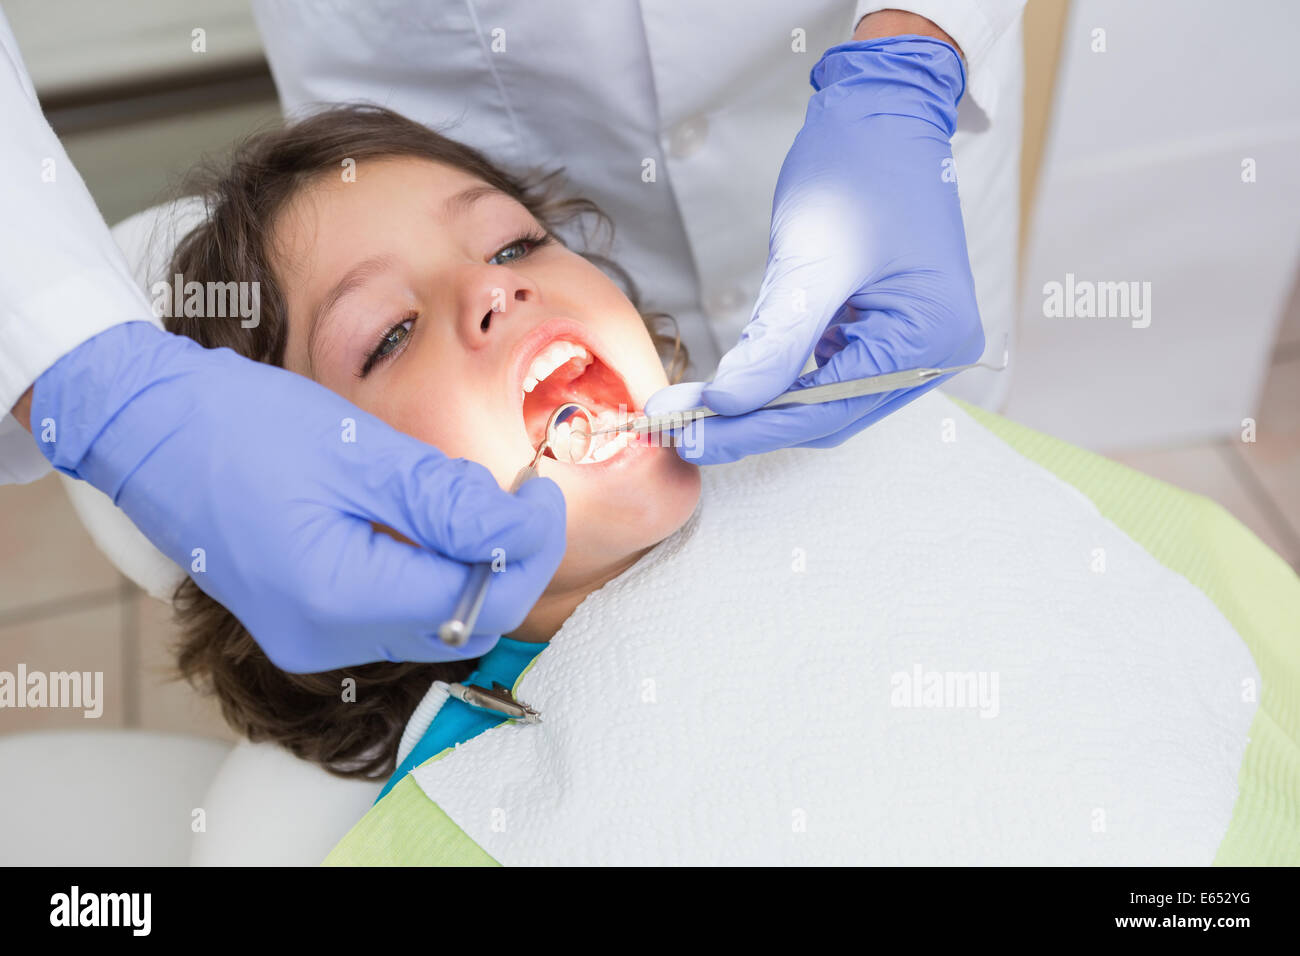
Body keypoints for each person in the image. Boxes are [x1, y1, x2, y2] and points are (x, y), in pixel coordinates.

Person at [0, 2, 1025, 671]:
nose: (495, 296)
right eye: (390, 332)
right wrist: (91, 376)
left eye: (516, 243)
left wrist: (907, 56)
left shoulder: (952, 530)